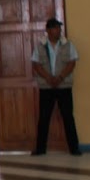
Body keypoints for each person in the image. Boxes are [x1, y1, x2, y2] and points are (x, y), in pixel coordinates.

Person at [30, 18, 80, 155]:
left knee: (68, 117)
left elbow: (72, 63)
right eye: (55, 28)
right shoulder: (40, 45)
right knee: (44, 118)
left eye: (59, 28)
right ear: (48, 30)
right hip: (46, 87)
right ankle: (40, 149)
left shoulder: (68, 44)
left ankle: (74, 149)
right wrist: (48, 78)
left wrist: (60, 77)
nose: (58, 31)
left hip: (64, 86)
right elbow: (36, 64)